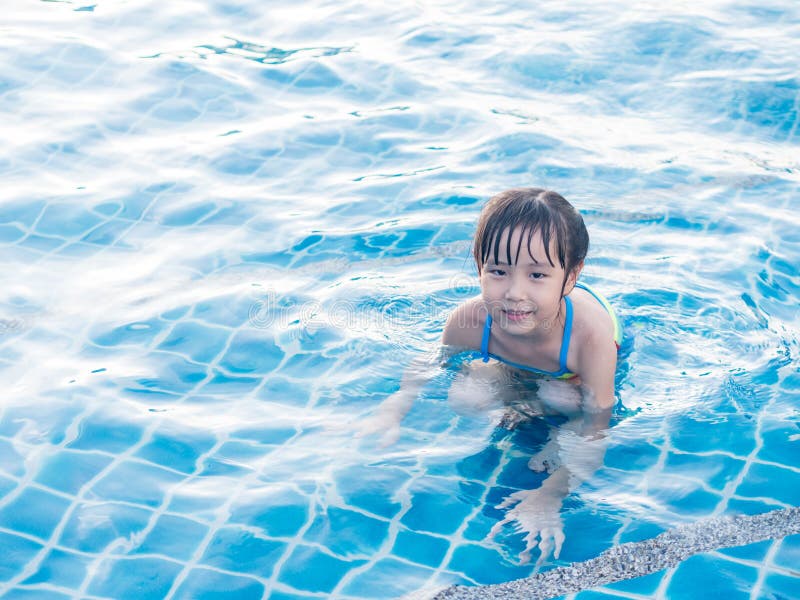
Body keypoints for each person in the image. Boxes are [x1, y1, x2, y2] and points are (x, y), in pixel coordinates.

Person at [359, 187, 622, 566]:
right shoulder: (469, 320)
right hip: (518, 368)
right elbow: (429, 364)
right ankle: (524, 402)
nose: (514, 293)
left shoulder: (589, 337)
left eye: (537, 275)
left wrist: (550, 496)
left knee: (563, 399)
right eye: (498, 271)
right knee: (466, 398)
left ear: (570, 277)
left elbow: (599, 424)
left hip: (572, 371)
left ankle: (538, 416)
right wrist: (394, 408)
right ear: (479, 266)